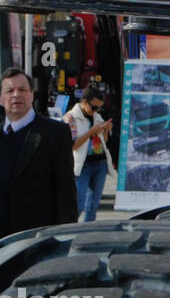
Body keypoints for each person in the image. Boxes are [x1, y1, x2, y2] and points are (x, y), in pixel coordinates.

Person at [0, 67, 77, 236]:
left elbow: (66, 194)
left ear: (31, 95)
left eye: (22, 89)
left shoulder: (55, 133)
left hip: (37, 240)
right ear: (1, 98)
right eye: (9, 90)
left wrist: (65, 239)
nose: (16, 95)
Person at [63, 86, 115, 221]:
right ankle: (69, 231)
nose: (96, 111)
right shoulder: (70, 118)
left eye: (99, 108)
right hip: (82, 166)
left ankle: (88, 233)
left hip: (100, 163)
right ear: (85, 101)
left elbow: (105, 141)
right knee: (78, 205)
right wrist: (91, 131)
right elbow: (72, 146)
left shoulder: (97, 116)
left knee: (93, 205)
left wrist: (105, 130)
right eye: (94, 107)